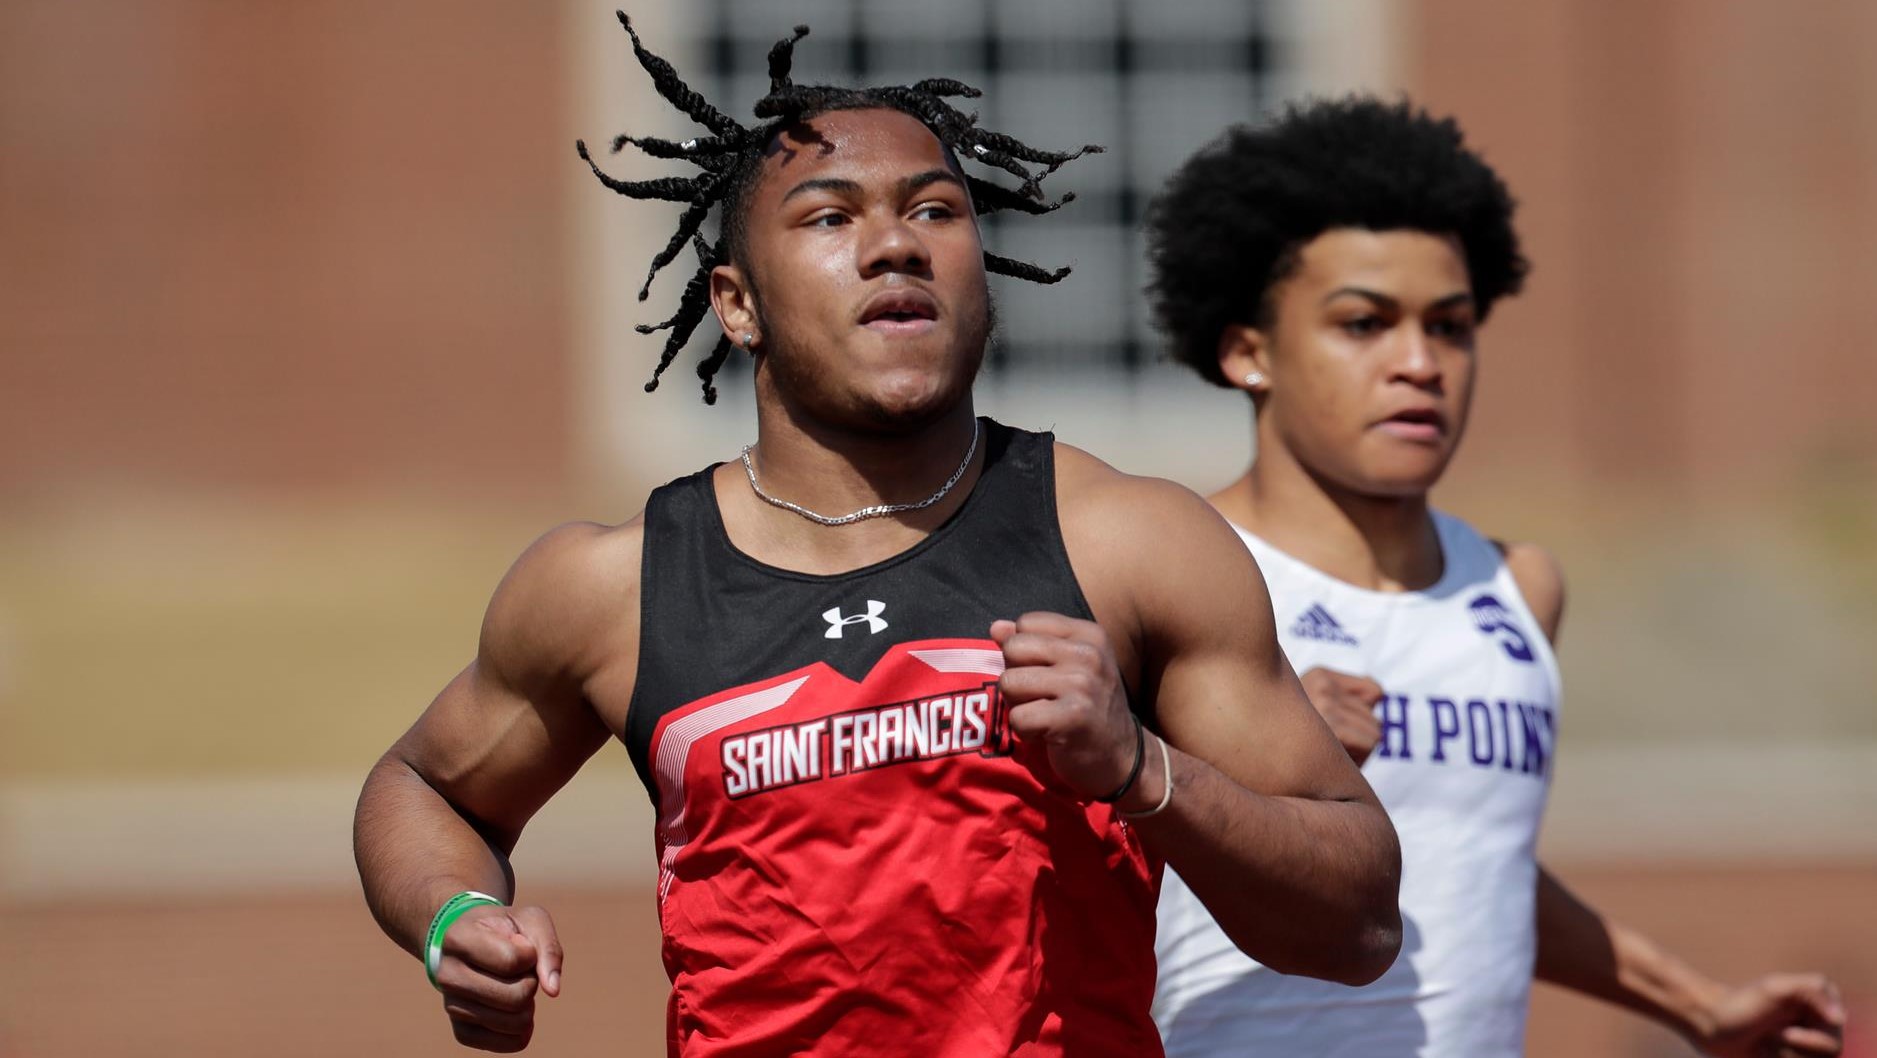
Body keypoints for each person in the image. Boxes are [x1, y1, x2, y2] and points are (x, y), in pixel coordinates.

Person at [352, 18, 1402, 1057]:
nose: (895, 242)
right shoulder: (612, 585)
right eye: (827, 216)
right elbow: (427, 786)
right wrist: (451, 918)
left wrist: (1140, 768)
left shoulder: (1127, 541)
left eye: (934, 209)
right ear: (737, 303)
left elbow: (1356, 924)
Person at [1144, 96, 1847, 1058]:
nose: (1418, 364)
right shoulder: (1168, 564)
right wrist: (1248, 765)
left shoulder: (1517, 587)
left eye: (1451, 326)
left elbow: (1481, 865)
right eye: (1364, 323)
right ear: (1246, 350)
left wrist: (1695, 1005)